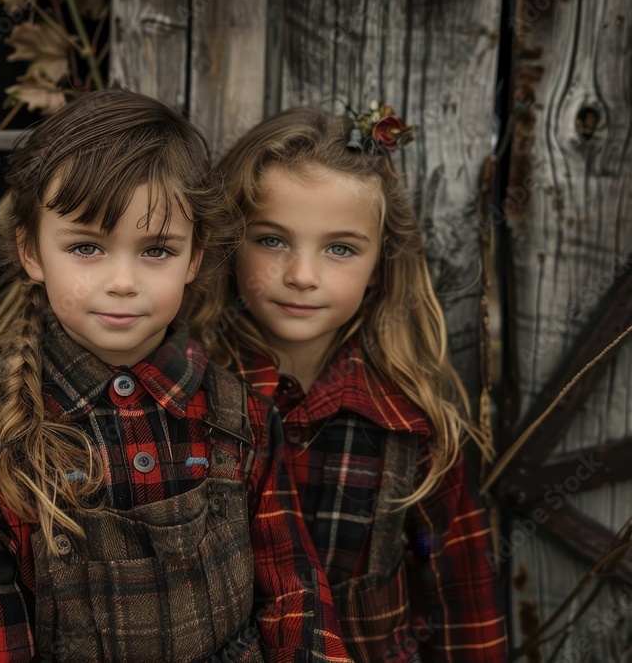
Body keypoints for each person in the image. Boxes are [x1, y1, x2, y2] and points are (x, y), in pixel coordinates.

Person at [0, 90, 352, 662]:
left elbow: (294, 597)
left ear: (194, 255)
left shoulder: (241, 416)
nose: (123, 282)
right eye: (86, 247)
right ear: (31, 252)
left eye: (156, 251)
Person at [196, 104, 508, 663]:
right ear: (228, 241)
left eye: (340, 248)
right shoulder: (183, 398)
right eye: (271, 240)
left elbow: (464, 609)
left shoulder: (412, 429)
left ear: (381, 261)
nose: (302, 275)